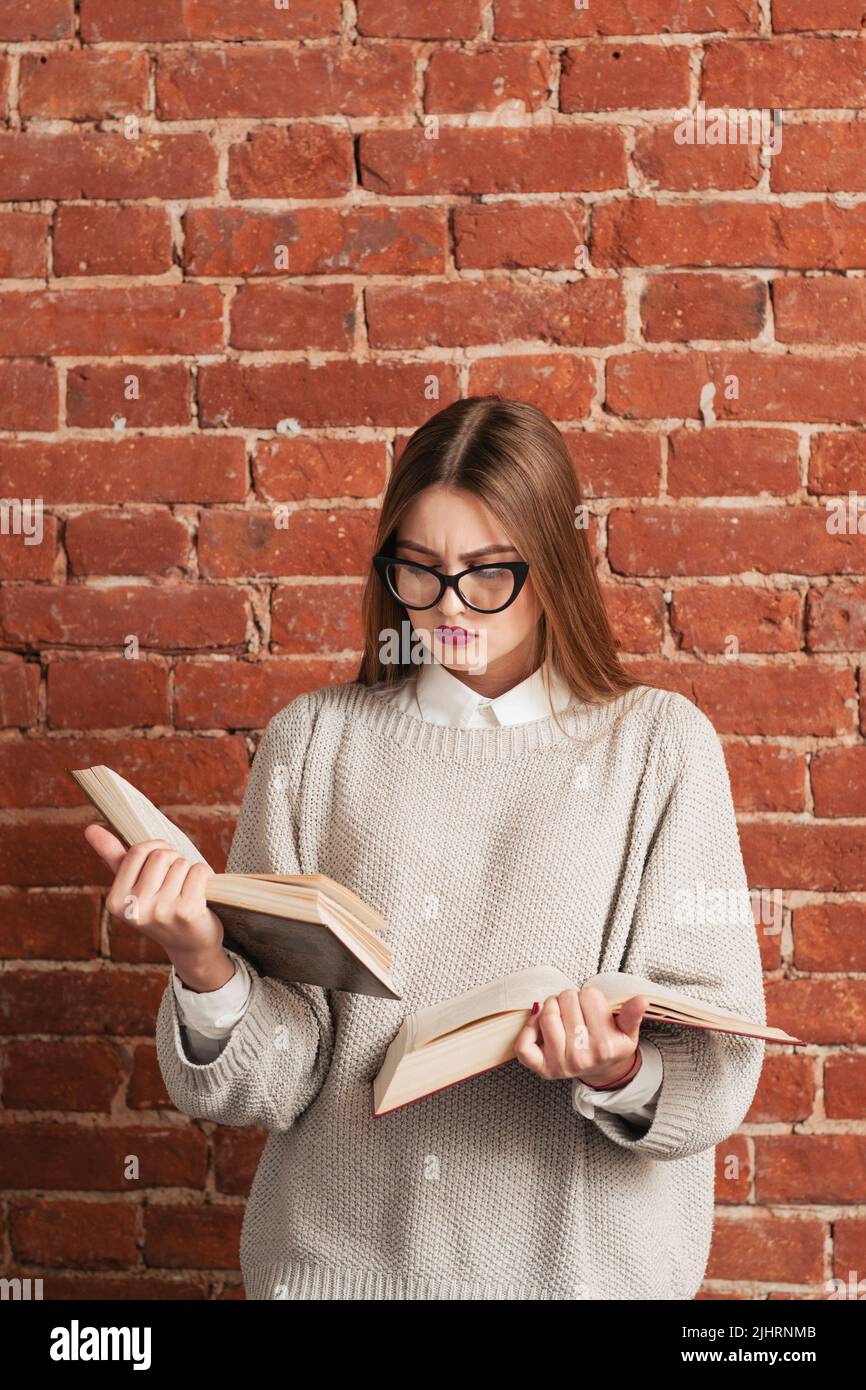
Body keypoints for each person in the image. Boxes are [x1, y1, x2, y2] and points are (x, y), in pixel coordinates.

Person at [84, 395, 767, 1300]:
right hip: (339, 1274)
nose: (449, 607)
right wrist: (201, 963)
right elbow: (276, 1082)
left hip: (582, 1279)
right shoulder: (314, 744)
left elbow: (717, 1071)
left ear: (556, 565)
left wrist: (618, 1067)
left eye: (488, 573)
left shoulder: (659, 747)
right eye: (419, 568)